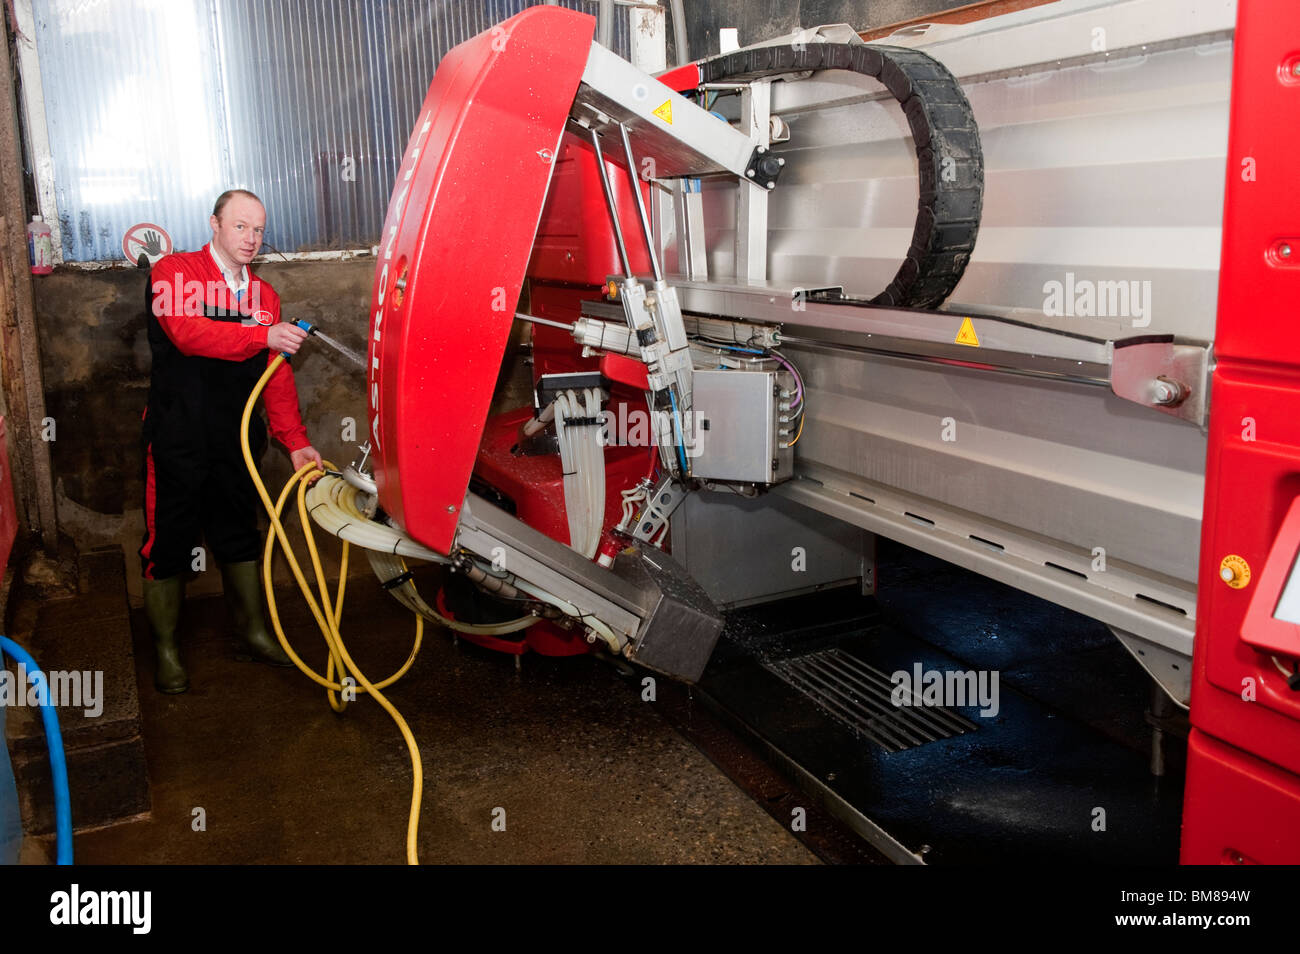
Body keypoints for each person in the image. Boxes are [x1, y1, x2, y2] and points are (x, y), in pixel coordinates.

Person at [139, 189, 322, 693]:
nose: (251, 238)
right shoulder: (174, 274)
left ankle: (253, 632)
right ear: (215, 224)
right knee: (170, 540)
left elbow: (275, 376)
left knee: (240, 533)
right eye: (240, 226)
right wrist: (262, 337)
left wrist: (294, 439)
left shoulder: (265, 297)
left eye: (259, 229)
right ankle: (167, 649)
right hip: (178, 437)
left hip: (238, 441)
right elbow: (186, 334)